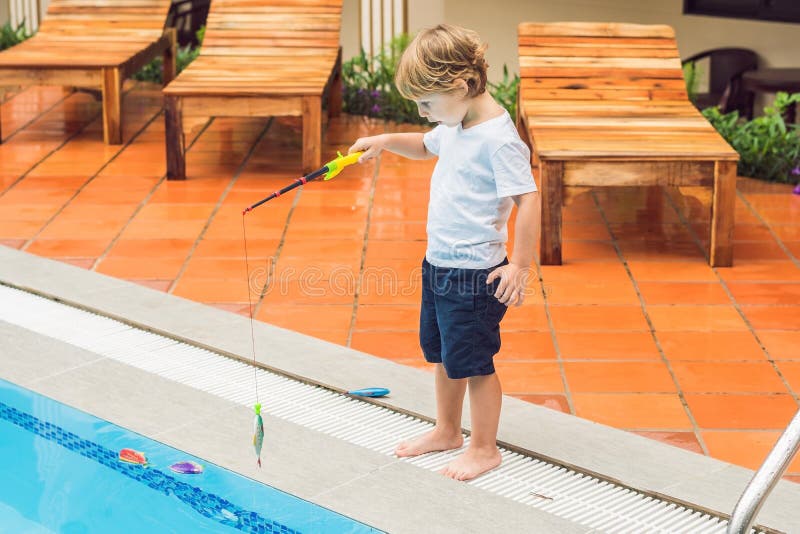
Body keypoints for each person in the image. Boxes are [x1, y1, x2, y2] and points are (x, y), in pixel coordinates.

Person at [348, 24, 540, 481]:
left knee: (475, 365)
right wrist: (385, 141)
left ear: (459, 85)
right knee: (444, 356)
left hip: (475, 274)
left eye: (426, 103)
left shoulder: (497, 138)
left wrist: (519, 264)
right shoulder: (455, 124)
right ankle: (448, 431)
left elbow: (528, 198)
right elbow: (424, 144)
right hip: (439, 264)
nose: (424, 113)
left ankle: (484, 448)